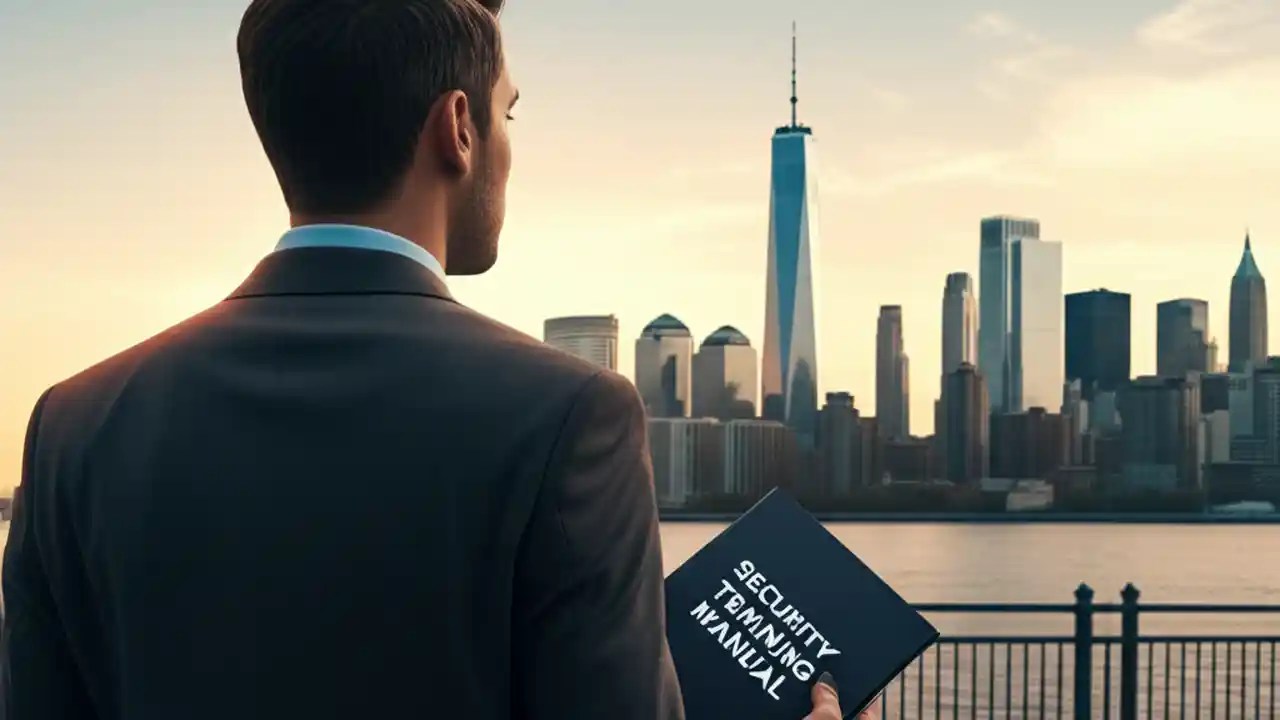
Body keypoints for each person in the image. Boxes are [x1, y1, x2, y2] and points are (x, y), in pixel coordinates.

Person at [1, 1, 878, 718]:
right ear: (457, 128)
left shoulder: (75, 423)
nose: (506, 143)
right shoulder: (572, 417)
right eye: (508, 112)